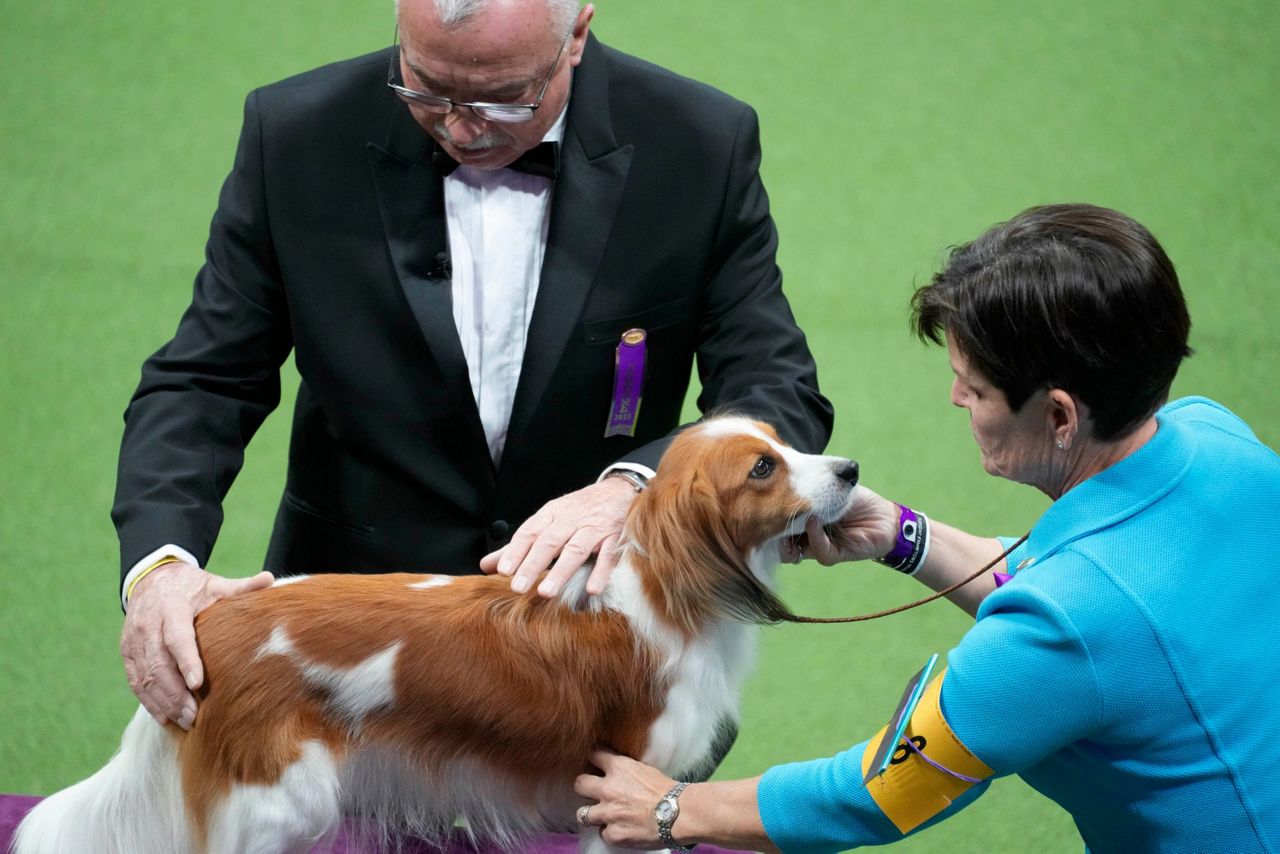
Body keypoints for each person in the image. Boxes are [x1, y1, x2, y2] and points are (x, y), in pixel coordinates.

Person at [112, 0, 832, 733]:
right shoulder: (295, 133)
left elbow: (775, 386)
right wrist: (159, 566)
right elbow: (203, 381)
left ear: (576, 32)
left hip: (606, 670)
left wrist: (634, 489)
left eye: (504, 97)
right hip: (348, 668)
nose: (462, 126)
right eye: (426, 88)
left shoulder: (699, 143)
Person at [573, 204, 1280, 852]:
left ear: (1060, 416)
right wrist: (898, 534)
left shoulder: (1063, 630)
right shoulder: (1215, 438)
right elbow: (1091, 587)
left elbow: (880, 790)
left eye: (973, 388)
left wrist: (674, 808)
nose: (953, 398)